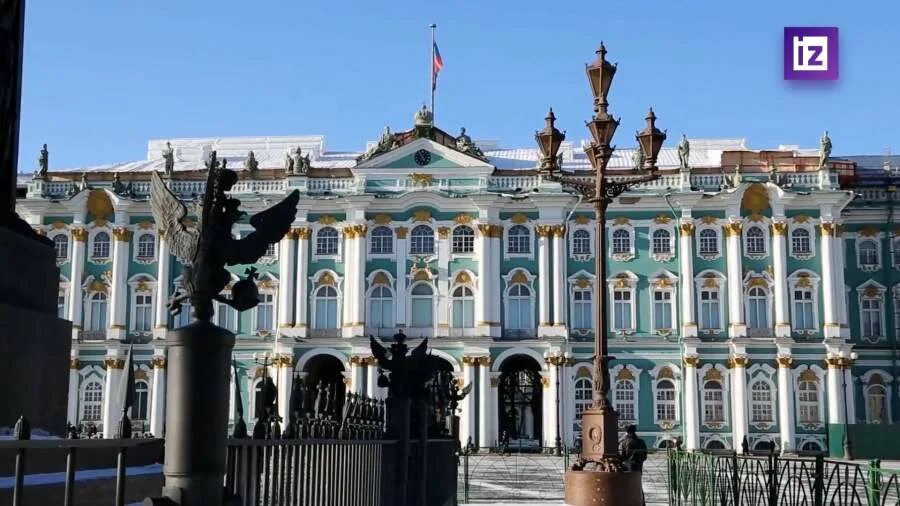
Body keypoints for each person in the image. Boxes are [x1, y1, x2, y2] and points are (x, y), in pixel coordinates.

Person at [619, 425, 648, 504]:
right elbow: (645, 456)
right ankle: (641, 503)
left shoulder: (623, 442)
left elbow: (621, 456)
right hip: (638, 468)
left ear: (626, 432)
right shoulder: (641, 442)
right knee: (638, 487)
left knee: (627, 488)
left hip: (626, 469)